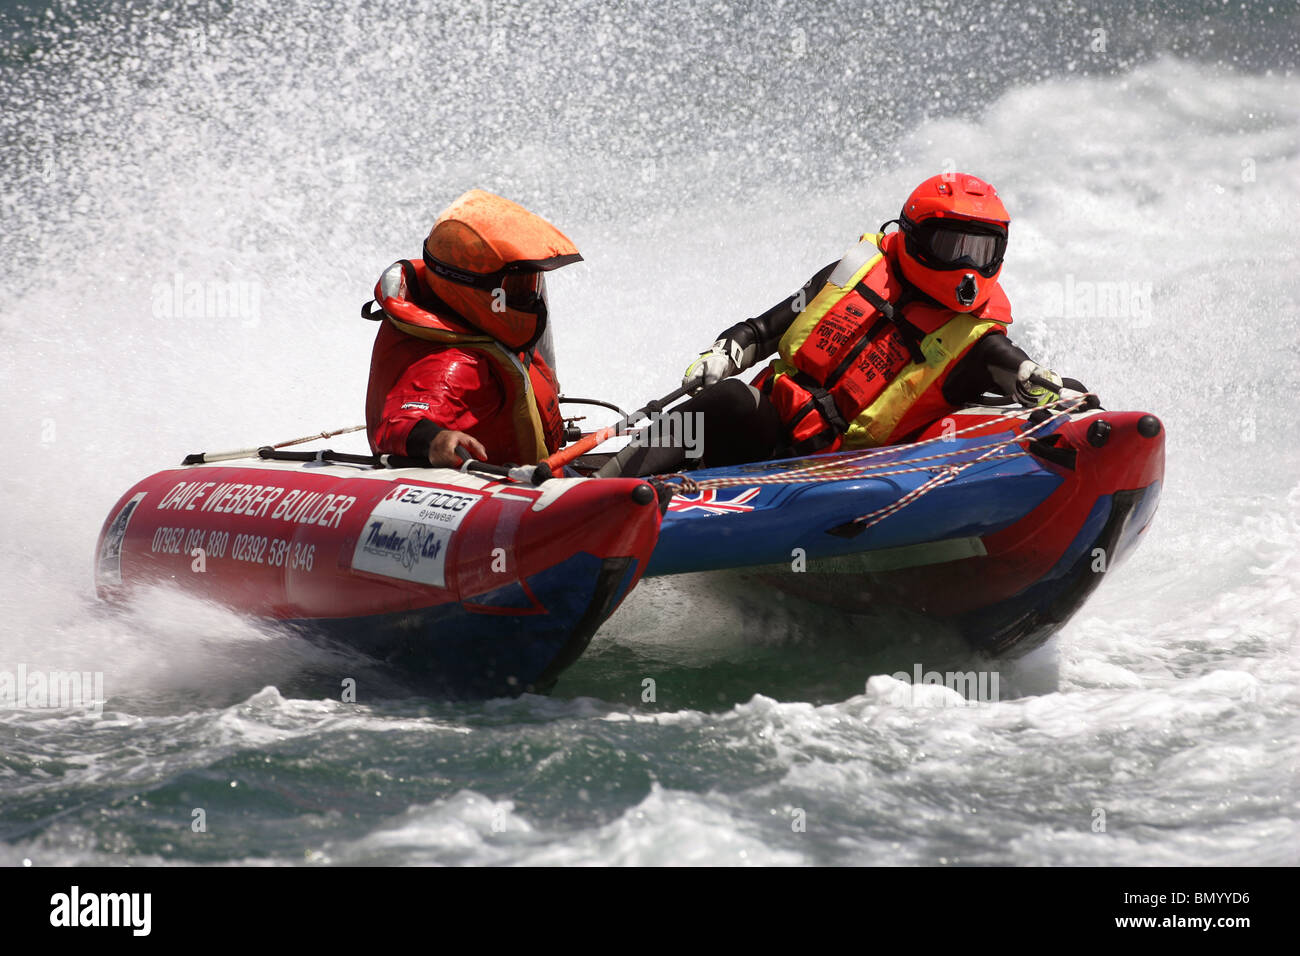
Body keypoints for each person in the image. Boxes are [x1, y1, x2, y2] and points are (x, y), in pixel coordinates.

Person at [597, 172, 1082, 478]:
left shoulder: (980, 342)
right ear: (912, 237)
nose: (966, 266)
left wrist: (1046, 384)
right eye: (951, 245)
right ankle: (598, 490)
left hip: (847, 478)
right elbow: (764, 330)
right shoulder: (854, 270)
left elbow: (1012, 367)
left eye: (980, 250)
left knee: (1062, 392)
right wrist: (726, 351)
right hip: (763, 437)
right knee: (728, 398)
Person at [363, 189, 582, 467]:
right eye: (515, 287)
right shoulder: (452, 365)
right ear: (474, 289)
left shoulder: (484, 330)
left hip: (541, 476)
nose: (530, 297)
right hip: (508, 494)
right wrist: (436, 440)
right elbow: (398, 424)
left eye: (531, 283)